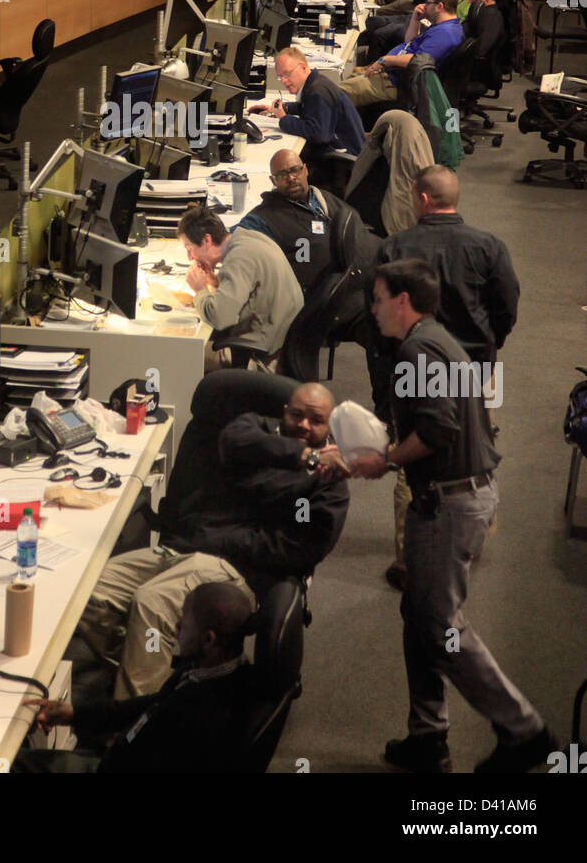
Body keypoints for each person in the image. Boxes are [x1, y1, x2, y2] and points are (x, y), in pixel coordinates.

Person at [352, 258, 553, 774]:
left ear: (402, 300)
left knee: (441, 625)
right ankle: (428, 735)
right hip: (456, 497)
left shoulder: (418, 348)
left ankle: (524, 730)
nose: (371, 309)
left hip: (450, 503)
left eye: (377, 299)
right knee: (418, 616)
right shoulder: (437, 338)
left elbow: (438, 428)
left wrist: (385, 461)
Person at [75, 383, 349, 697]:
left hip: (236, 568)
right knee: (87, 592)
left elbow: (298, 550)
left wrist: (226, 540)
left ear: (330, 426)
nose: (303, 425)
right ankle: (152, 682)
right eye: (297, 415)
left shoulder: (330, 484)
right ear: (284, 411)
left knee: (151, 604)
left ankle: (138, 728)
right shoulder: (258, 431)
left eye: (316, 420)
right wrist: (307, 456)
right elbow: (234, 441)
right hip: (185, 546)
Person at [370, 165, 521, 588]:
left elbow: (376, 317)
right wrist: (491, 343)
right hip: (475, 365)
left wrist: (386, 375)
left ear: (421, 199)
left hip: (413, 366)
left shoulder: (396, 246)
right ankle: (467, 542)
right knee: (477, 438)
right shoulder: (488, 245)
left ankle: (409, 558)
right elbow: (507, 303)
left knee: (413, 456)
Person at [14, 582, 258, 773]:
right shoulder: (209, 669)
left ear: (208, 639)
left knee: (9, 764)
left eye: (184, 622)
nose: (176, 626)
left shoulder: (205, 714)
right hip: (121, 758)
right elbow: (152, 704)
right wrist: (75, 714)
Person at [239, 148, 380, 380]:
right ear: (273, 181)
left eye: (295, 170)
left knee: (392, 339)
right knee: (380, 331)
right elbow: (234, 240)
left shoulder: (324, 199)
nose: (291, 178)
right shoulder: (265, 217)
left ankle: (388, 405)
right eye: (282, 175)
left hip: (364, 287)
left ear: (305, 170)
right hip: (326, 305)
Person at [177, 203, 303, 372]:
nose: (189, 257)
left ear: (207, 240)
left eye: (189, 249)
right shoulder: (247, 238)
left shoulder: (238, 259)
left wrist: (200, 290)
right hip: (280, 342)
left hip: (261, 357)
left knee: (179, 353)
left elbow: (220, 318)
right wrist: (216, 284)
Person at [338, 0, 463, 111]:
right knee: (345, 81)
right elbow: (409, 43)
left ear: (439, 7)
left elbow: (417, 62)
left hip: (394, 82)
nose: (424, 6)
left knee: (333, 94)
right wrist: (415, 19)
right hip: (389, 74)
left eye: (427, 3)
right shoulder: (442, 26)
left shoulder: (446, 34)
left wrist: (385, 60)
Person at [248, 47, 366, 159]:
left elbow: (317, 134)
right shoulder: (316, 83)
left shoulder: (317, 92)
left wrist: (283, 118)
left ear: (303, 67)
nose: (283, 80)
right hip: (342, 151)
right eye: (280, 77)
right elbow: (309, 108)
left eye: (287, 74)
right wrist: (282, 108)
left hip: (342, 162)